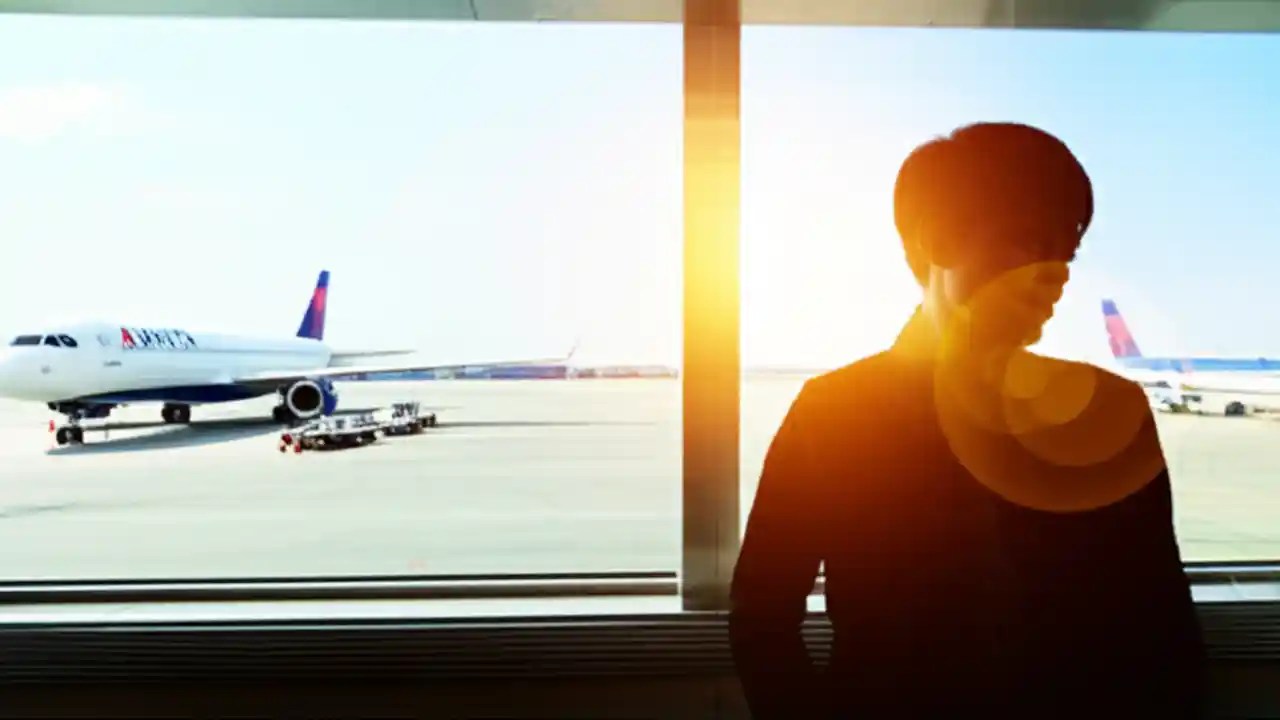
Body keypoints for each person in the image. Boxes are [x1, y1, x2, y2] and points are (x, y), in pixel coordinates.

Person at [729, 122, 1206, 719]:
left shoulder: (1111, 409)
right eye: (1029, 242)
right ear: (936, 240)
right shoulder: (834, 415)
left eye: (1065, 251)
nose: (1055, 273)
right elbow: (762, 620)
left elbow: (1161, 620)